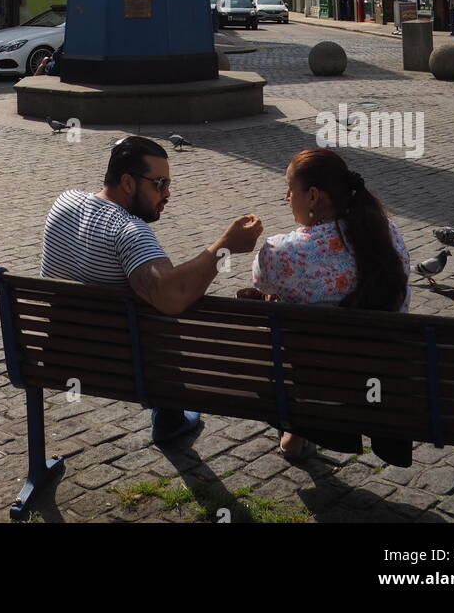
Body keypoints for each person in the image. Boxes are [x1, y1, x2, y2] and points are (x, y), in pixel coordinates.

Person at [42, 135, 263, 445]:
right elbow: (171, 297)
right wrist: (224, 246)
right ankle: (168, 419)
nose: (167, 194)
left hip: (61, 354)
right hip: (129, 368)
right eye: (159, 184)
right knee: (157, 326)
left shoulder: (64, 202)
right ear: (128, 183)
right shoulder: (130, 231)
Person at [239, 148, 410, 464]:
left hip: (318, 380)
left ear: (313, 196)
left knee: (276, 305)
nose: (286, 196)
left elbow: (263, 284)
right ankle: (296, 434)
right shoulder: (388, 234)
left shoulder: (281, 251)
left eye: (290, 188)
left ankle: (294, 431)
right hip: (380, 380)